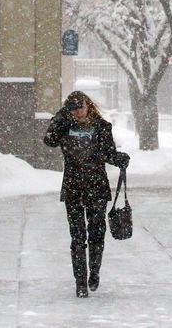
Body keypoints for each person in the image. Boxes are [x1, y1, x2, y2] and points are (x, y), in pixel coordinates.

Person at [43, 91, 129, 297]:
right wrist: (61, 117)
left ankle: (95, 273)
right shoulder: (64, 126)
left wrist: (119, 159)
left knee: (97, 234)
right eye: (73, 109)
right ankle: (80, 282)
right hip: (73, 187)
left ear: (88, 105)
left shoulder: (101, 126)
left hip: (97, 187)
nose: (78, 112)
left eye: (80, 107)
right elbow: (49, 140)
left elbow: (108, 153)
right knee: (77, 237)